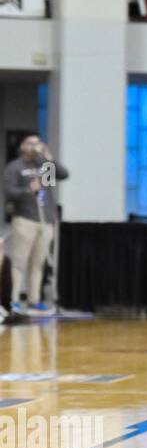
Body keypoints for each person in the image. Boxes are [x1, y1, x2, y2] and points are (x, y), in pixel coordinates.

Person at [3, 134, 68, 314]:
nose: (35, 146)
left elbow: (63, 174)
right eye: (31, 143)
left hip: (45, 220)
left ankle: (34, 299)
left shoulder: (43, 166)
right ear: (23, 146)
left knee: (38, 263)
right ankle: (14, 299)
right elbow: (8, 192)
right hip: (25, 219)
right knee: (19, 261)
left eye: (38, 143)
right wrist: (27, 191)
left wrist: (50, 159)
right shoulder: (15, 167)